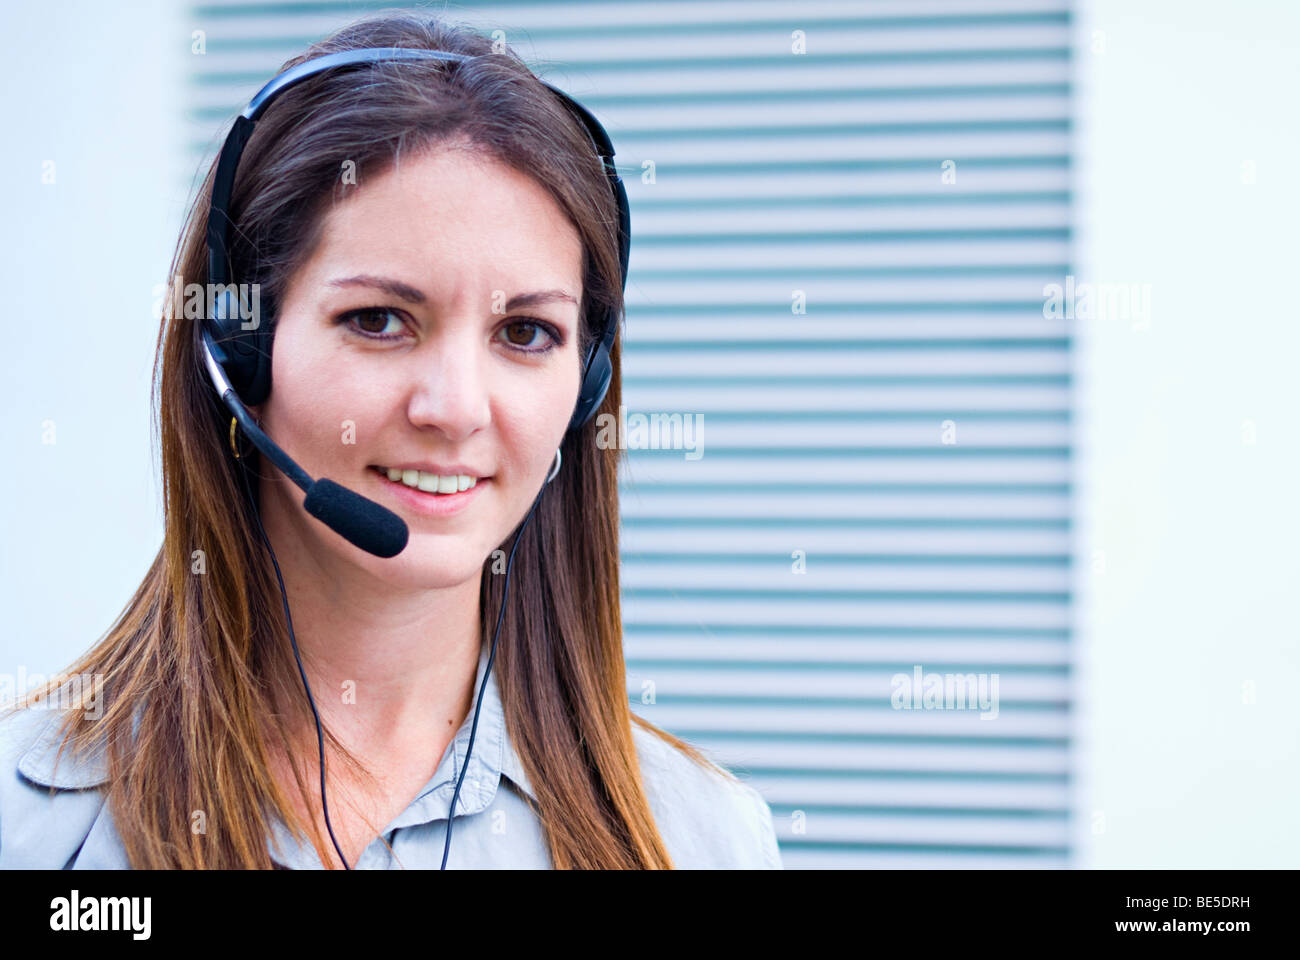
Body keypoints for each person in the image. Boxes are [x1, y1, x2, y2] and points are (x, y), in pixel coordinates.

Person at [0, 11, 781, 870]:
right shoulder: (25, 822)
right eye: (379, 320)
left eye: (525, 332)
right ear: (237, 350)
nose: (455, 409)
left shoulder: (700, 838)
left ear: (586, 383)